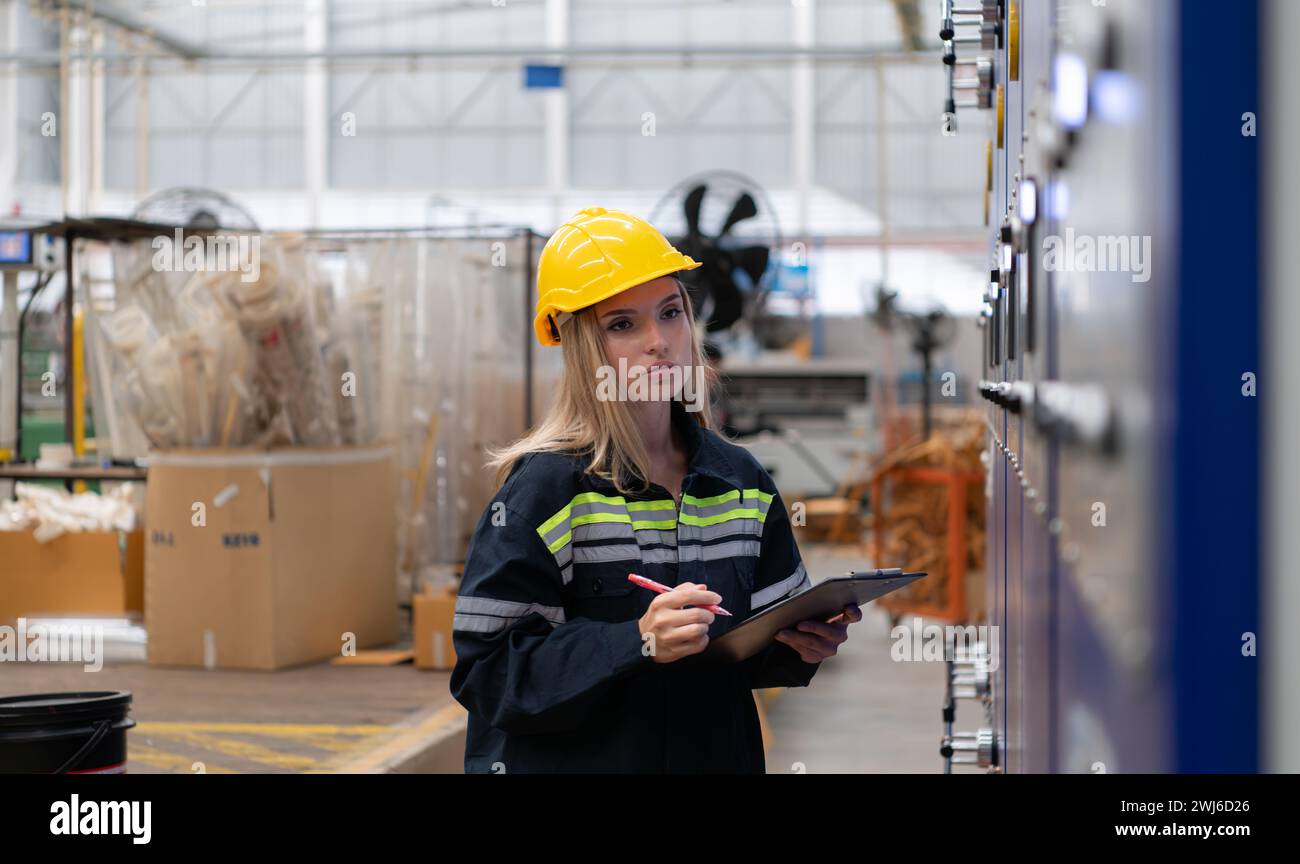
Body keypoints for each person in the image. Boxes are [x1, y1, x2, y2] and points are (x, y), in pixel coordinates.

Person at [450, 207, 862, 773]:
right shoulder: (546, 492)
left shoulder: (741, 484)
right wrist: (635, 641)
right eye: (623, 324)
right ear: (581, 347)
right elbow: (487, 673)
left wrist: (801, 646)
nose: (659, 342)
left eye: (670, 313)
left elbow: (755, 655)